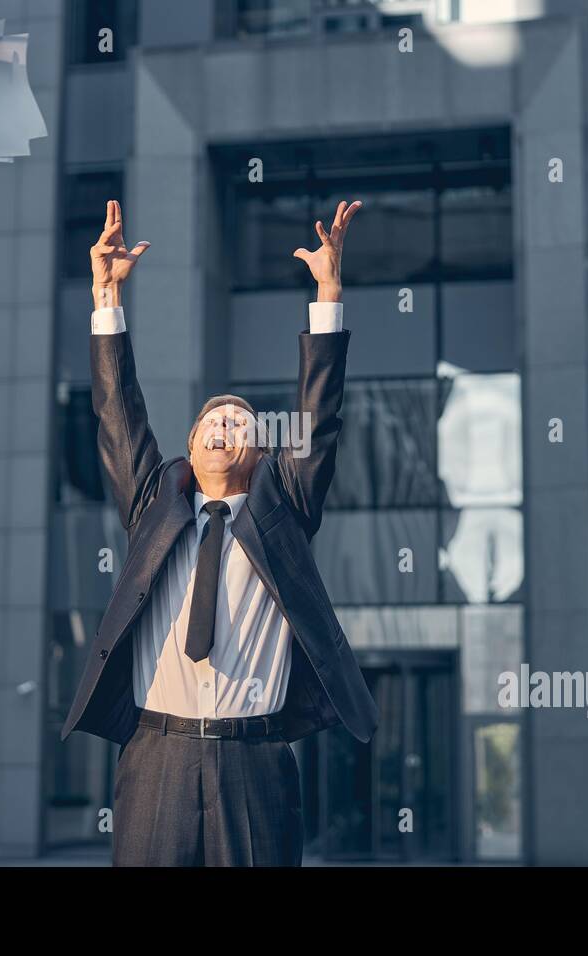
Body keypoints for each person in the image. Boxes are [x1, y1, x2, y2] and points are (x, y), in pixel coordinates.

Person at [60, 198, 379, 866]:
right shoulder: (158, 505)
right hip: (158, 760)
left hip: (254, 762)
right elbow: (118, 415)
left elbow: (318, 420)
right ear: (189, 443)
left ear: (262, 452)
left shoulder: (282, 509)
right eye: (210, 421)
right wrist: (107, 296)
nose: (221, 426)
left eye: (237, 422)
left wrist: (327, 294)